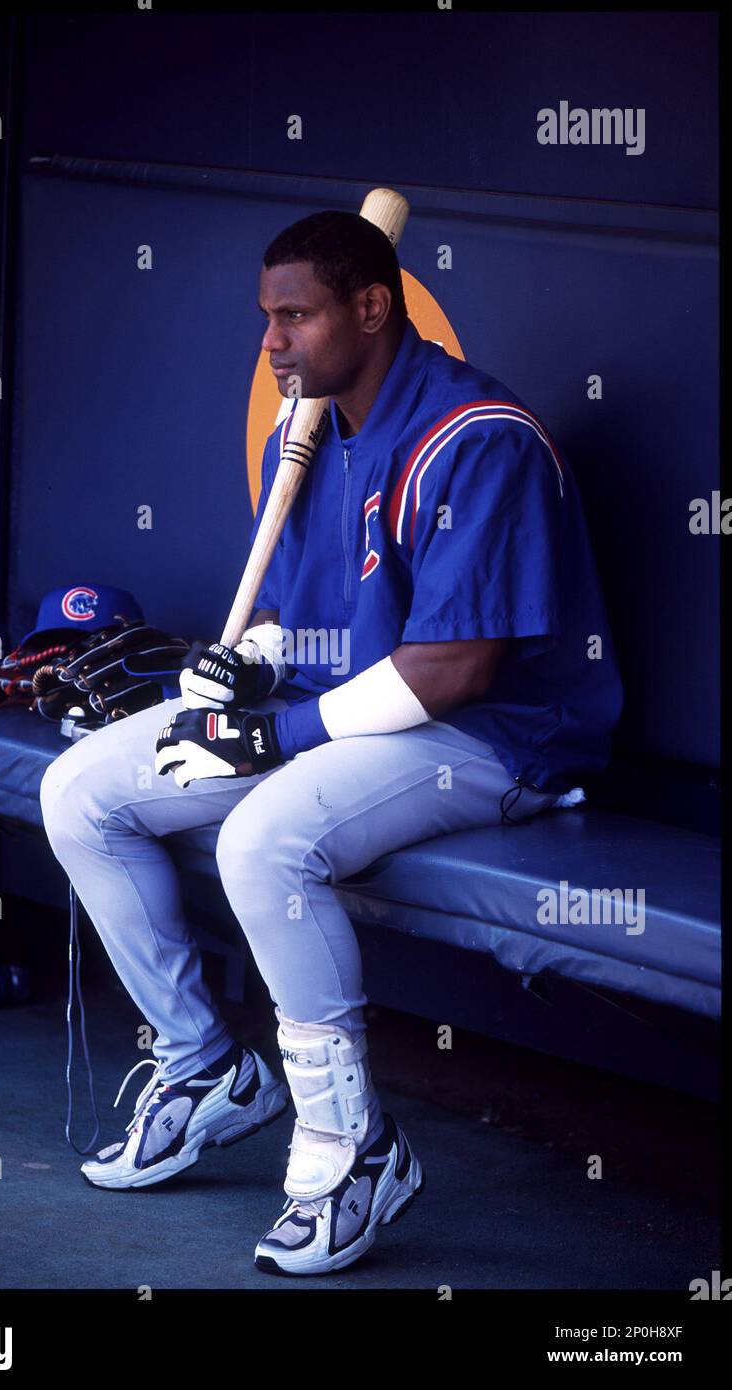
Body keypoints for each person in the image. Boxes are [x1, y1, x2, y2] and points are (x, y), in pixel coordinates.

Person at [40, 209, 623, 1277]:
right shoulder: (304, 430)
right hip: (351, 712)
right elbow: (314, 626)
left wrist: (273, 731)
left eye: (296, 316)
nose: (273, 342)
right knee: (83, 787)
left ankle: (348, 1148)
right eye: (266, 318)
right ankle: (203, 1063)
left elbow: (454, 669)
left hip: (495, 740)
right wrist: (245, 670)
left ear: (371, 307)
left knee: (262, 840)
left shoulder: (477, 437)